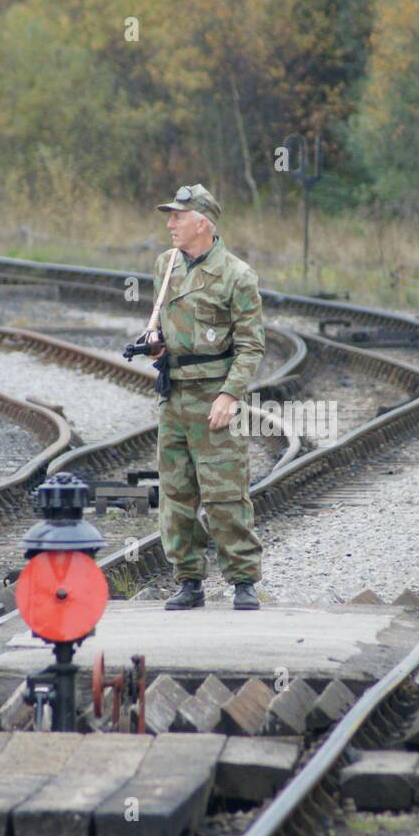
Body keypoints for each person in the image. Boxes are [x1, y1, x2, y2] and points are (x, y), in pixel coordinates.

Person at [140, 184, 265, 611]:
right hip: (174, 395)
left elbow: (251, 346)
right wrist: (155, 345)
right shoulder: (166, 265)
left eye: (178, 216)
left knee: (225, 492)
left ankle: (243, 580)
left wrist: (231, 394)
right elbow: (164, 325)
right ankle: (188, 579)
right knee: (176, 495)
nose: (170, 223)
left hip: (214, 396)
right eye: (170, 215)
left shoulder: (237, 276)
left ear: (203, 223)